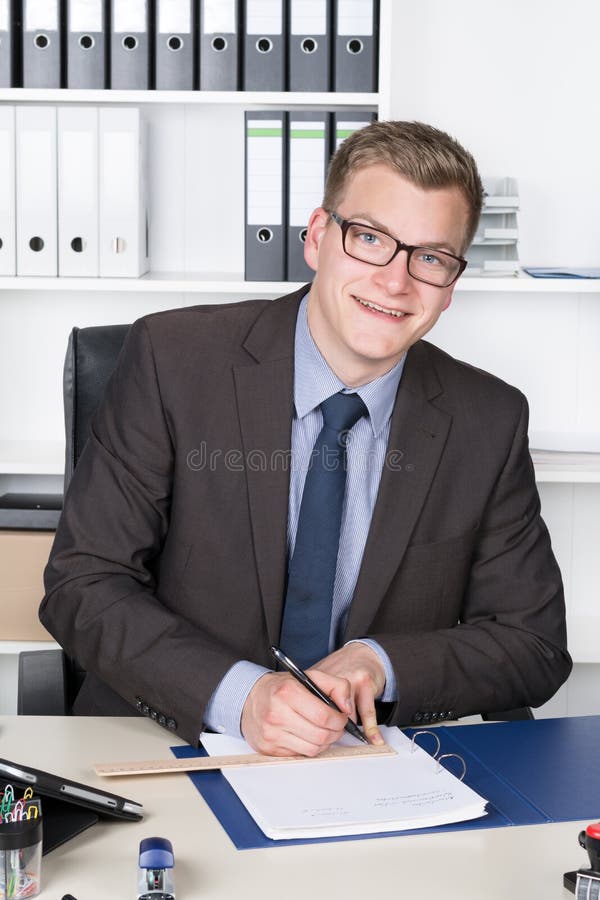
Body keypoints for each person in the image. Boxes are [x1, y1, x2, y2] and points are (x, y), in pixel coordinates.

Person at [40, 120, 571, 756]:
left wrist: (382, 664)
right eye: (370, 238)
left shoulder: (487, 419)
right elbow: (84, 584)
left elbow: (532, 644)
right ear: (318, 237)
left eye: (430, 257)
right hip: (173, 748)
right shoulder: (171, 360)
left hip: (369, 764)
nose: (395, 281)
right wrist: (241, 698)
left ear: (451, 283)